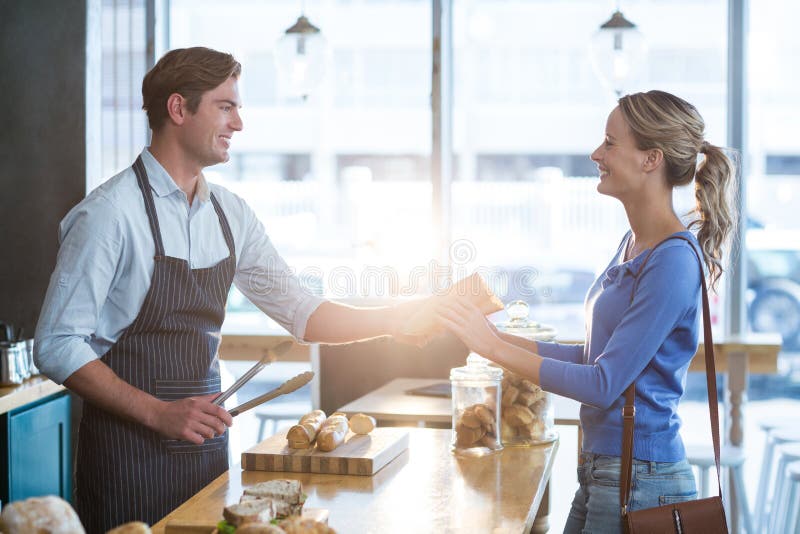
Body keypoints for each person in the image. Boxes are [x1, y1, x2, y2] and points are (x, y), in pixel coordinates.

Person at [34, 47, 426, 533]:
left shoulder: (231, 214)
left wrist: (395, 319)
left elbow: (303, 313)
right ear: (179, 109)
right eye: (226, 106)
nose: (239, 123)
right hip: (126, 463)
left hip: (206, 461)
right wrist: (158, 413)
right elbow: (56, 344)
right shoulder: (109, 214)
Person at [437, 90, 736, 533]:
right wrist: (489, 339)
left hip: (641, 480)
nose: (597, 153)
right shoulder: (633, 246)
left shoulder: (672, 260)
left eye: (611, 143)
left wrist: (494, 348)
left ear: (650, 159)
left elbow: (603, 384)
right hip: (608, 471)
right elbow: (591, 359)